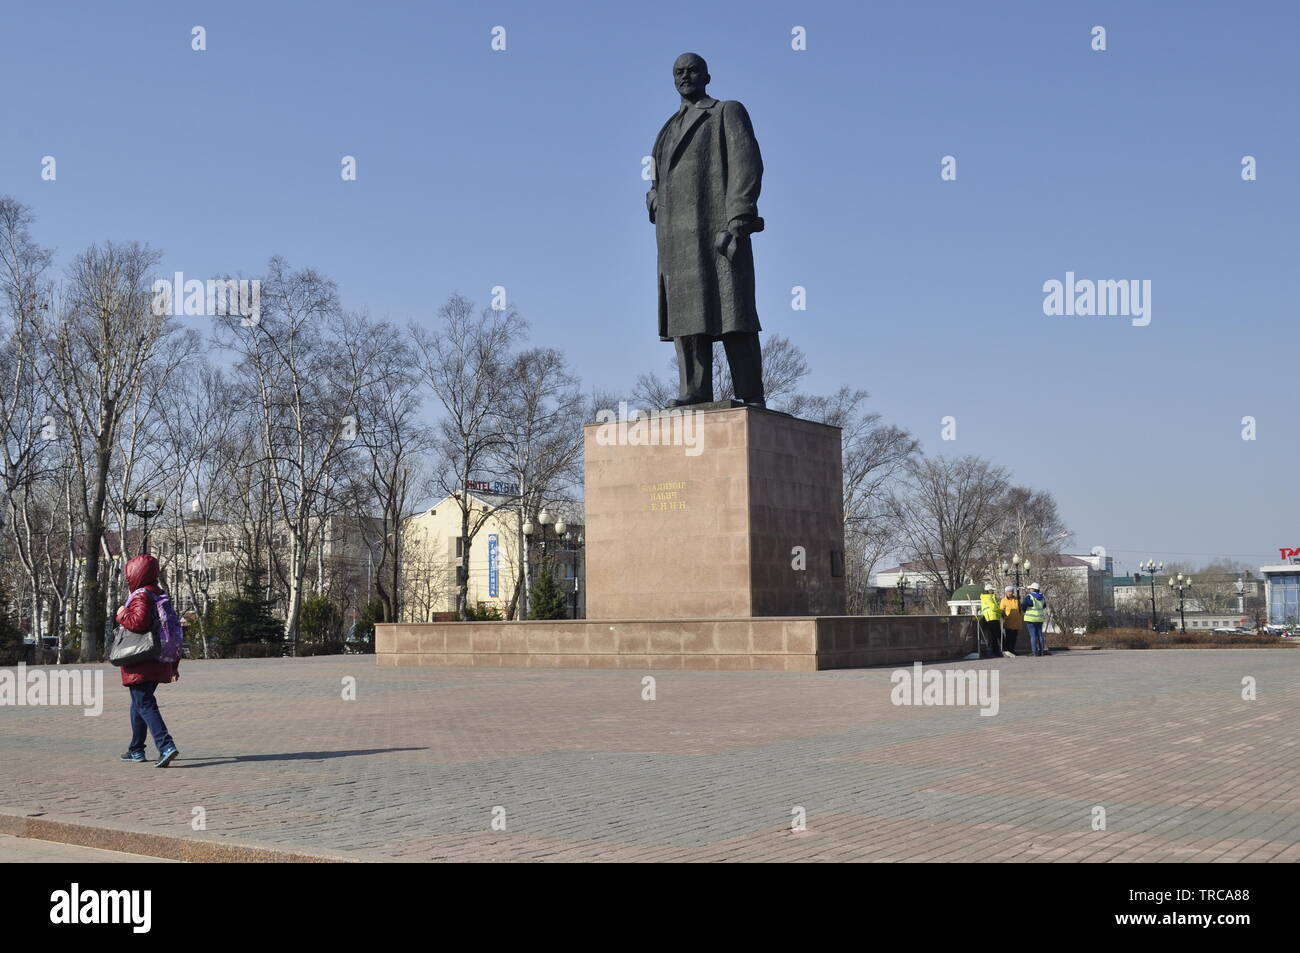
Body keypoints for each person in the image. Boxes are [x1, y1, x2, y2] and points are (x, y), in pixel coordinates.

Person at [647, 53, 766, 408]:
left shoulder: (725, 112)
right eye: (678, 72)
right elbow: (655, 177)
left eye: (692, 70)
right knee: (687, 315)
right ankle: (695, 389)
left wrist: (739, 218)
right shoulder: (667, 129)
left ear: (707, 76)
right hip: (676, 239)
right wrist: (653, 200)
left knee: (733, 314)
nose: (685, 76)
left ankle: (751, 392)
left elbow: (747, 164)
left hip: (716, 230)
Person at [114, 553, 181, 767]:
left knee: (144, 703)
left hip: (141, 659)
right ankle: (136, 749)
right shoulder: (159, 594)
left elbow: (138, 623)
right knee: (139, 704)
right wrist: (173, 665)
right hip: (158, 658)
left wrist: (121, 613)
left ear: (136, 574)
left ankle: (166, 745)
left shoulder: (141, 596)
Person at [1022, 583, 1049, 657]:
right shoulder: (1042, 597)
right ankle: (1042, 651)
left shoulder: (1029, 596)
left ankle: (1034, 652)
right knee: (1040, 635)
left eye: (1030, 588)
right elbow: (1044, 606)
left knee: (1033, 636)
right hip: (1039, 618)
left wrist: (1024, 610)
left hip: (1030, 618)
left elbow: (1023, 604)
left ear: (1033, 589)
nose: (1029, 589)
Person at [978, 584, 1002, 658]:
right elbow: (993, 607)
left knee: (994, 636)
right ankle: (995, 651)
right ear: (988, 590)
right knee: (994, 635)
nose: (993, 591)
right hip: (991, 617)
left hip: (993, 617)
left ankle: (996, 651)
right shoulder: (987, 597)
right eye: (992, 590)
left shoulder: (990, 597)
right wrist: (1000, 611)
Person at [999, 585, 1023, 656]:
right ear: (1006, 592)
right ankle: (1008, 650)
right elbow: (1002, 610)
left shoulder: (1016, 599)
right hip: (1008, 622)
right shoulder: (1003, 600)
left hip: (1016, 622)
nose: (1010, 593)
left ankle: (1012, 650)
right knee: (1009, 637)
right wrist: (1003, 616)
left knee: (1014, 637)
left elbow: (1020, 608)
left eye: (1011, 592)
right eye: (1009, 592)